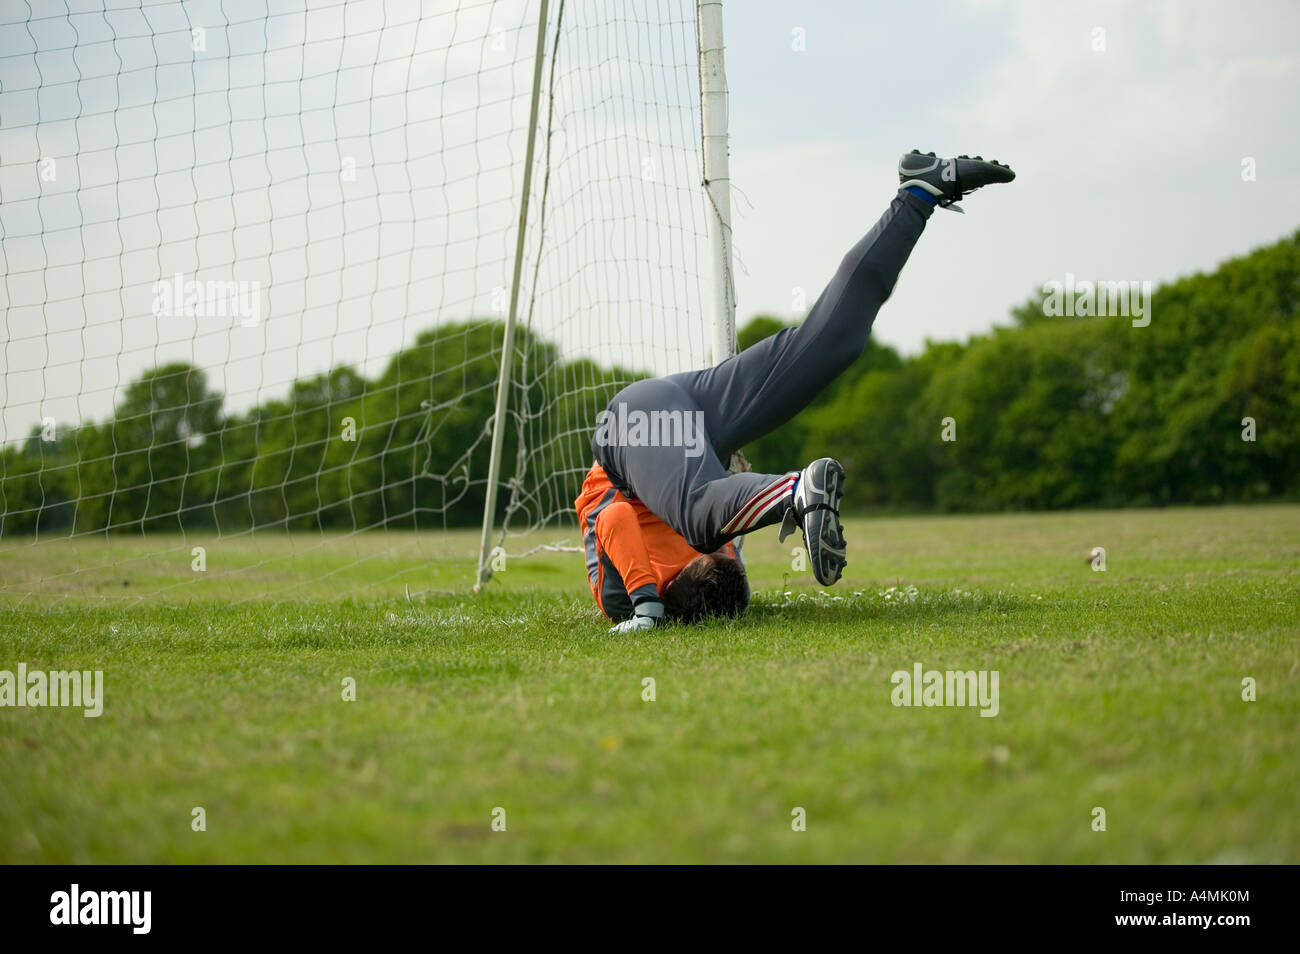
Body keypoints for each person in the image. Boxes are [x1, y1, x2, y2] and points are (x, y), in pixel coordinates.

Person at [574, 150, 1016, 633]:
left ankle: (793, 490)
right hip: (688, 428)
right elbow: (707, 525)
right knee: (828, 345)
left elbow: (614, 516)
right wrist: (714, 469)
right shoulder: (708, 556)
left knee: (699, 516)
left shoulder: (624, 598)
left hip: (634, 431)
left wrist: (645, 607)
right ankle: (919, 194)